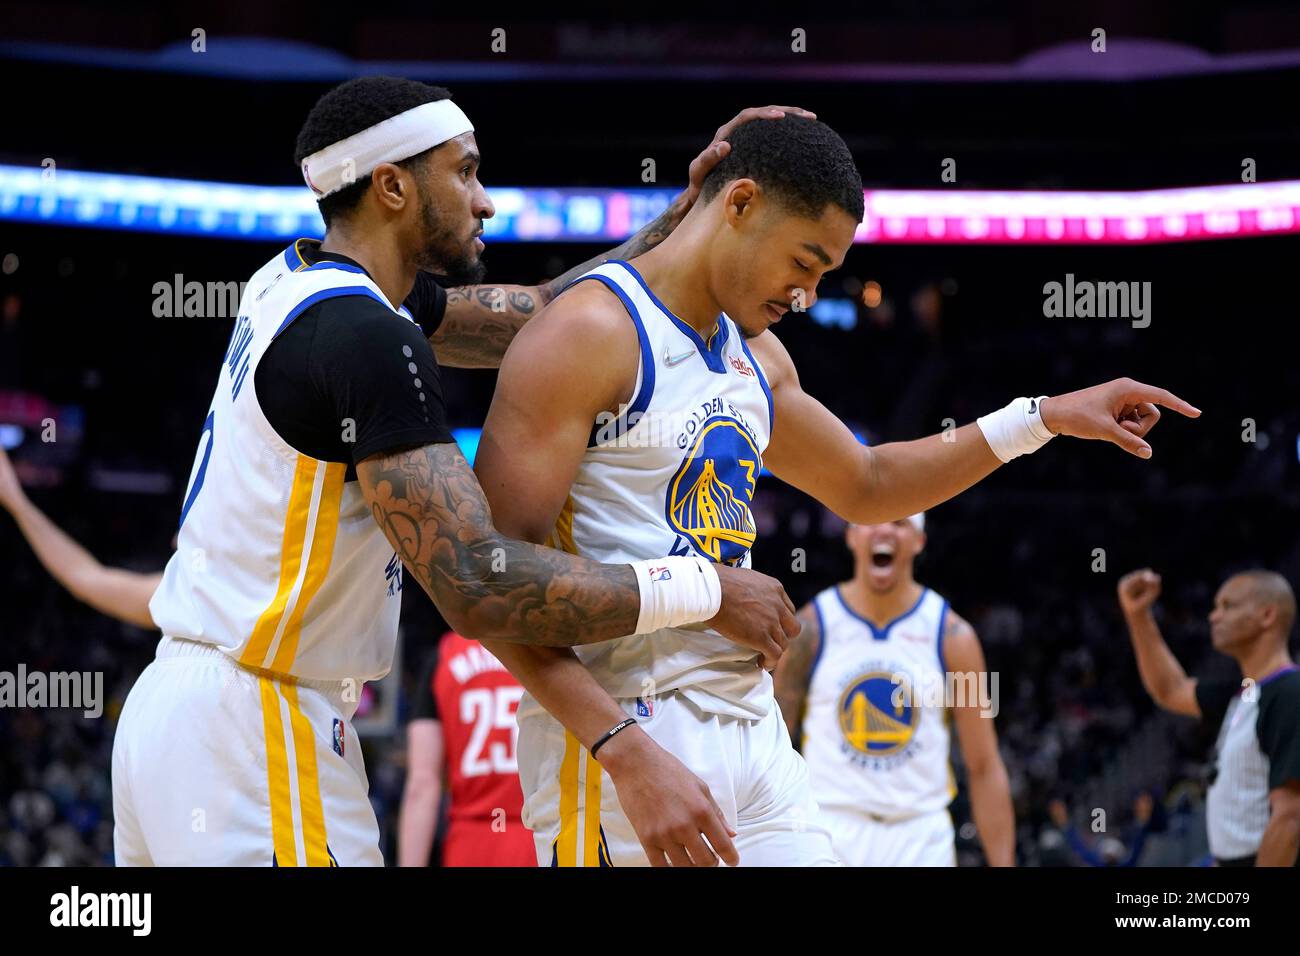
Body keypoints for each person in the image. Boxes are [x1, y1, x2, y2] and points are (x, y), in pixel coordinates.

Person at [473, 112, 1200, 866]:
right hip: (626, 724)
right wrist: (624, 747)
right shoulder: (588, 330)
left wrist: (1041, 418)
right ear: (740, 203)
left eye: (825, 274)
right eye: (805, 261)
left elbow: (870, 480)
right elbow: (488, 581)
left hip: (751, 726)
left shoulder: (756, 354)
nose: (810, 293)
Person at [111, 76, 799, 867]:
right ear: (394, 186)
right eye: (464, 172)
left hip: (177, 718)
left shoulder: (296, 284)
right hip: (259, 726)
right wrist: (706, 589)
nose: (486, 201)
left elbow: (546, 311)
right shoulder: (369, 337)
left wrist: (689, 219)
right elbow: (477, 580)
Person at [773, 513, 1015, 866]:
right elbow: (774, 748)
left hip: (921, 835)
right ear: (852, 535)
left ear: (919, 541)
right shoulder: (810, 628)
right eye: (873, 520)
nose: (884, 529)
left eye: (900, 522)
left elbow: (984, 765)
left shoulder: (954, 637)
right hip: (828, 827)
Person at [1118, 567, 1300, 866]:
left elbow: (1290, 818)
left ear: (1268, 615)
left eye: (1228, 606)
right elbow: (1170, 689)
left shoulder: (1290, 693)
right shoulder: (1243, 694)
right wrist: (1138, 616)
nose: (1214, 617)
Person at [398, 631, 532, 867]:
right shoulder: (548, 649)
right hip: (539, 835)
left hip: (469, 841)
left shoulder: (443, 656)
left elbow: (422, 784)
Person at [0, 445, 160, 628]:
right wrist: (14, 498)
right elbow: (84, 575)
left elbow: (84, 576)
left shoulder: (189, 595)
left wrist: (15, 500)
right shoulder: (178, 590)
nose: (176, 539)